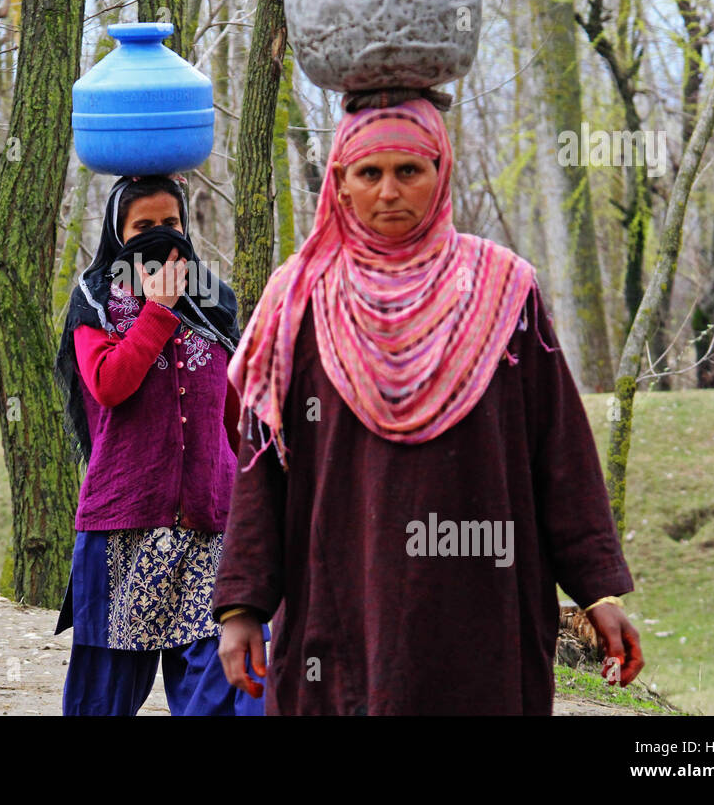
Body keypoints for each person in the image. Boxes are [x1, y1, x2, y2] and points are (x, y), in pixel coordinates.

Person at [213, 98, 643, 715]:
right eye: (370, 173)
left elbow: (560, 451)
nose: (389, 192)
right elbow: (262, 469)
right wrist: (242, 605)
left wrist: (597, 588)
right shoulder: (298, 302)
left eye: (409, 171)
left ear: (442, 172)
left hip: (482, 610)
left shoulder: (504, 292)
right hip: (339, 609)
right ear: (339, 181)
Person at [54, 174, 263, 715]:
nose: (159, 236)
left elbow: (231, 408)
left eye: (170, 223)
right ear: (117, 232)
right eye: (142, 226)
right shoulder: (95, 300)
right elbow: (108, 383)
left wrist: (262, 482)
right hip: (125, 521)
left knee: (217, 680)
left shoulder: (214, 299)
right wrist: (158, 310)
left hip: (208, 522)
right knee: (106, 692)